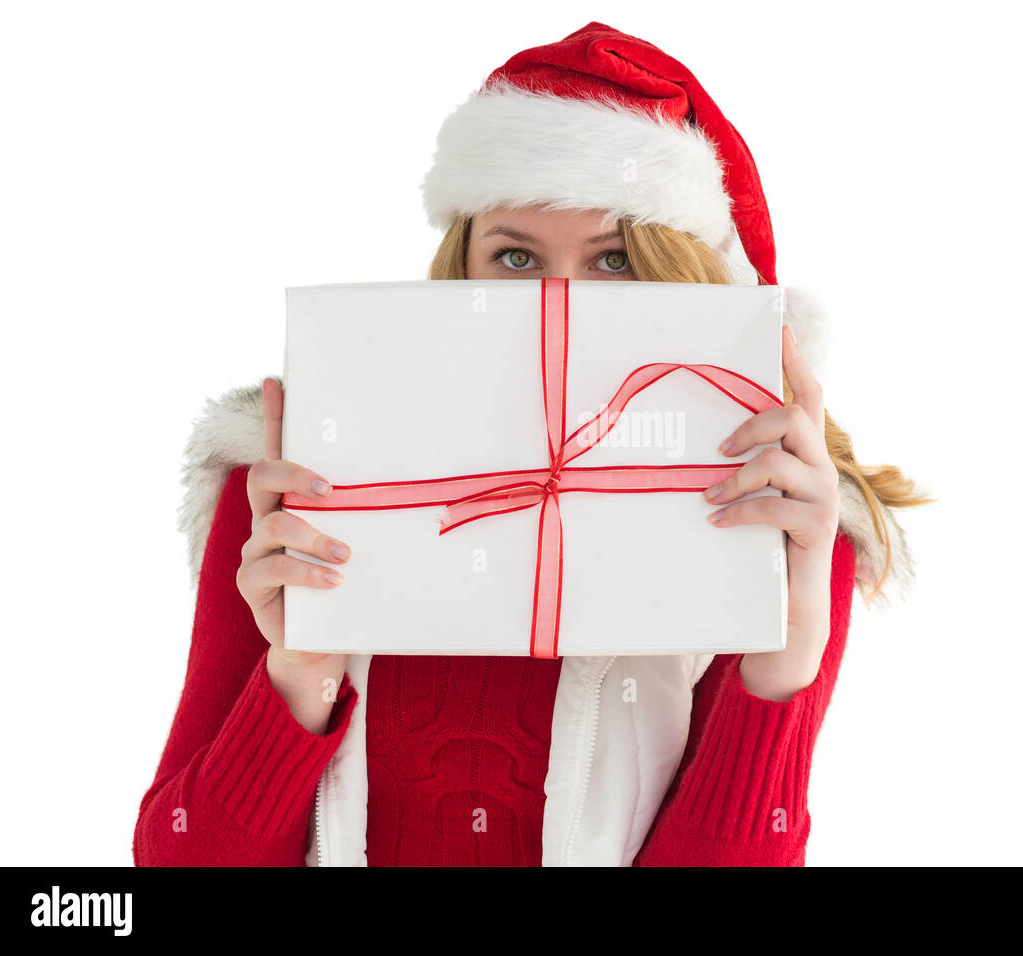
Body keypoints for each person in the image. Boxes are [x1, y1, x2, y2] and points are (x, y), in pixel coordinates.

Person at [134, 22, 930, 867]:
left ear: (686, 283)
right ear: (461, 269)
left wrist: (784, 659)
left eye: (615, 261)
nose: (558, 304)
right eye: (516, 256)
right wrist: (300, 673)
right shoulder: (299, 487)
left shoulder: (775, 520)